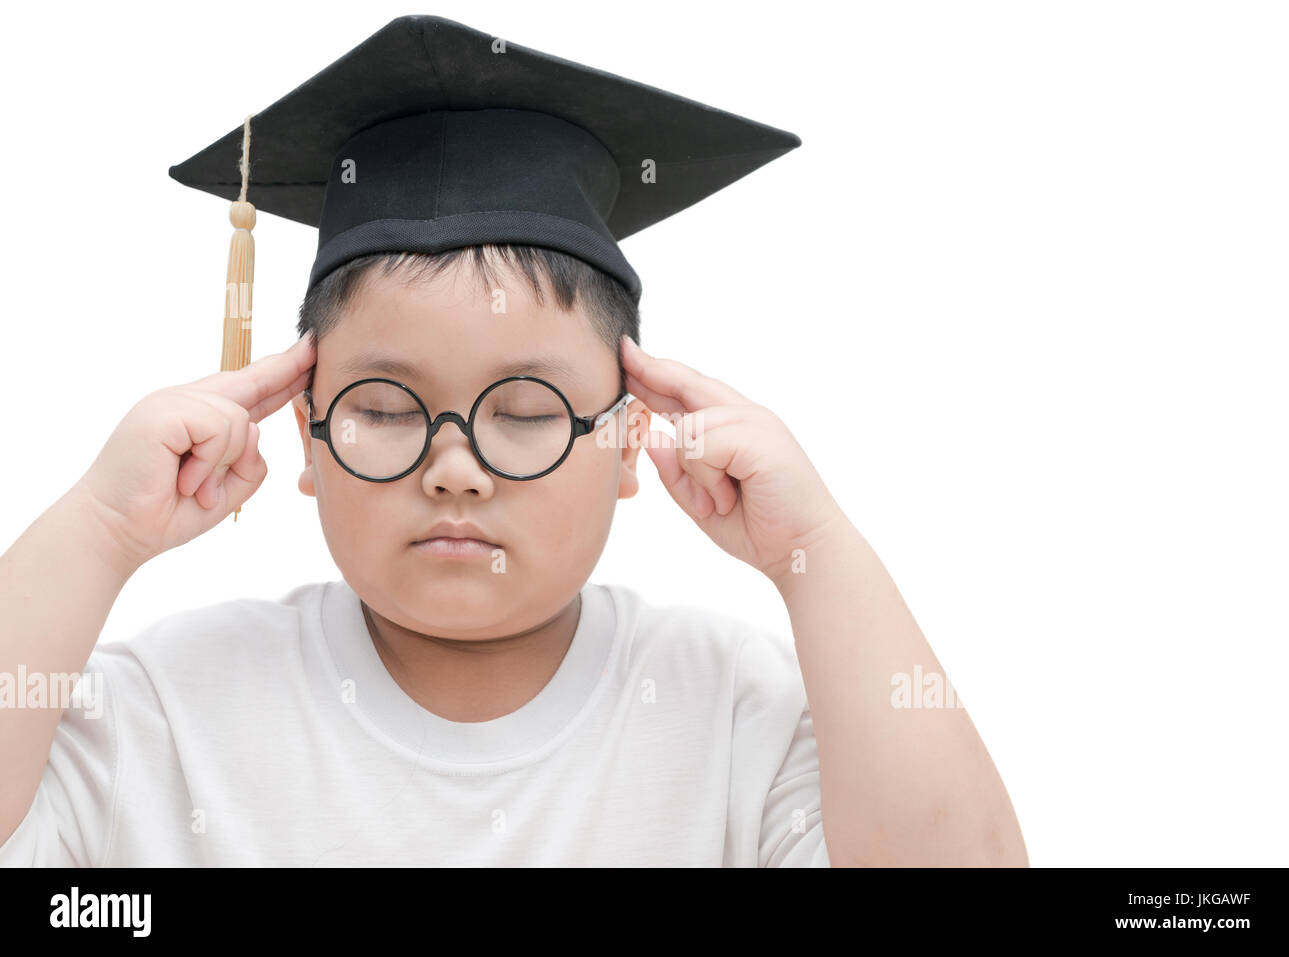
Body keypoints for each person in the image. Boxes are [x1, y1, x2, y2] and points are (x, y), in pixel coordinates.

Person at [0, 15, 1028, 866]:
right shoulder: (169, 711)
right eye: (389, 413)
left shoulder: (733, 713)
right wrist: (97, 531)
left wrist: (819, 555)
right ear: (306, 438)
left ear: (630, 442)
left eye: (528, 416)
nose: (454, 469)